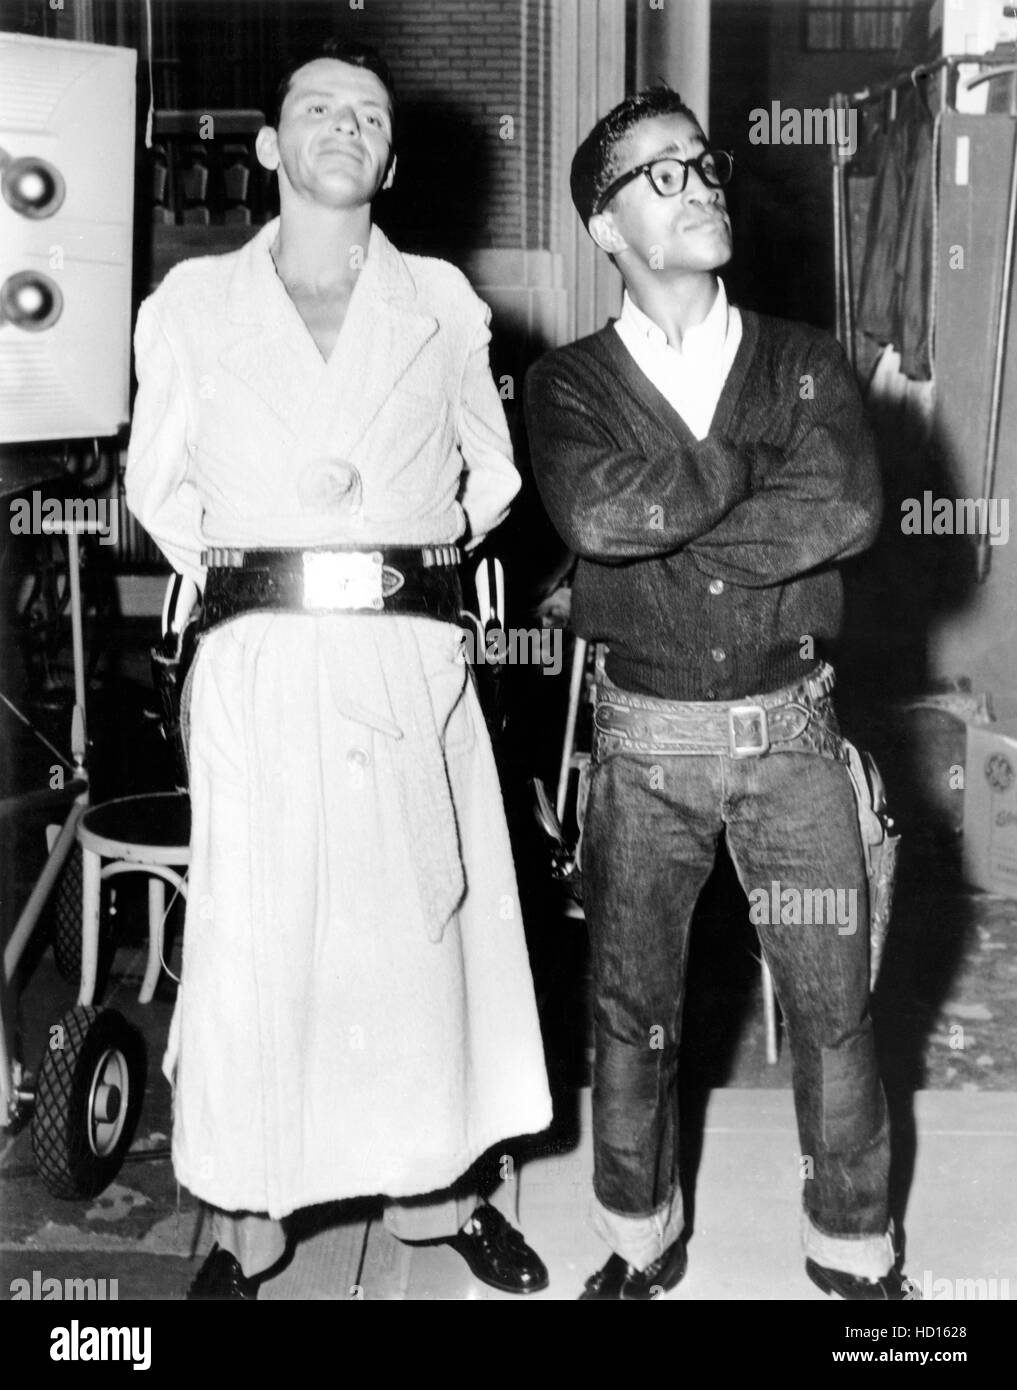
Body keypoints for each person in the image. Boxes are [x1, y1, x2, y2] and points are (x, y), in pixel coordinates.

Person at [127, 38, 552, 1299]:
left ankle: (437, 1196)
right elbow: (161, 481)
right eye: (316, 108)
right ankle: (249, 1225)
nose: (343, 126)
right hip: (262, 660)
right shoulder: (192, 305)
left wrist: (407, 566)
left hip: (403, 657)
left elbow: (494, 465)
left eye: (366, 114)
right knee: (267, 944)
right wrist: (276, 569)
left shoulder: (443, 302)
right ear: (269, 147)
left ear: (392, 156)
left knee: (419, 928)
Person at [523, 87, 915, 1301]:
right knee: (632, 1015)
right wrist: (750, 473)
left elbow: (846, 511)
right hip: (639, 751)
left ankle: (855, 1252)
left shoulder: (803, 358)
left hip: (794, 736)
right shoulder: (566, 386)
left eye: (703, 164)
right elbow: (598, 513)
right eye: (660, 174)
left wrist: (666, 534)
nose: (698, 185)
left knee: (834, 1009)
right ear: (603, 225)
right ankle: (639, 1245)